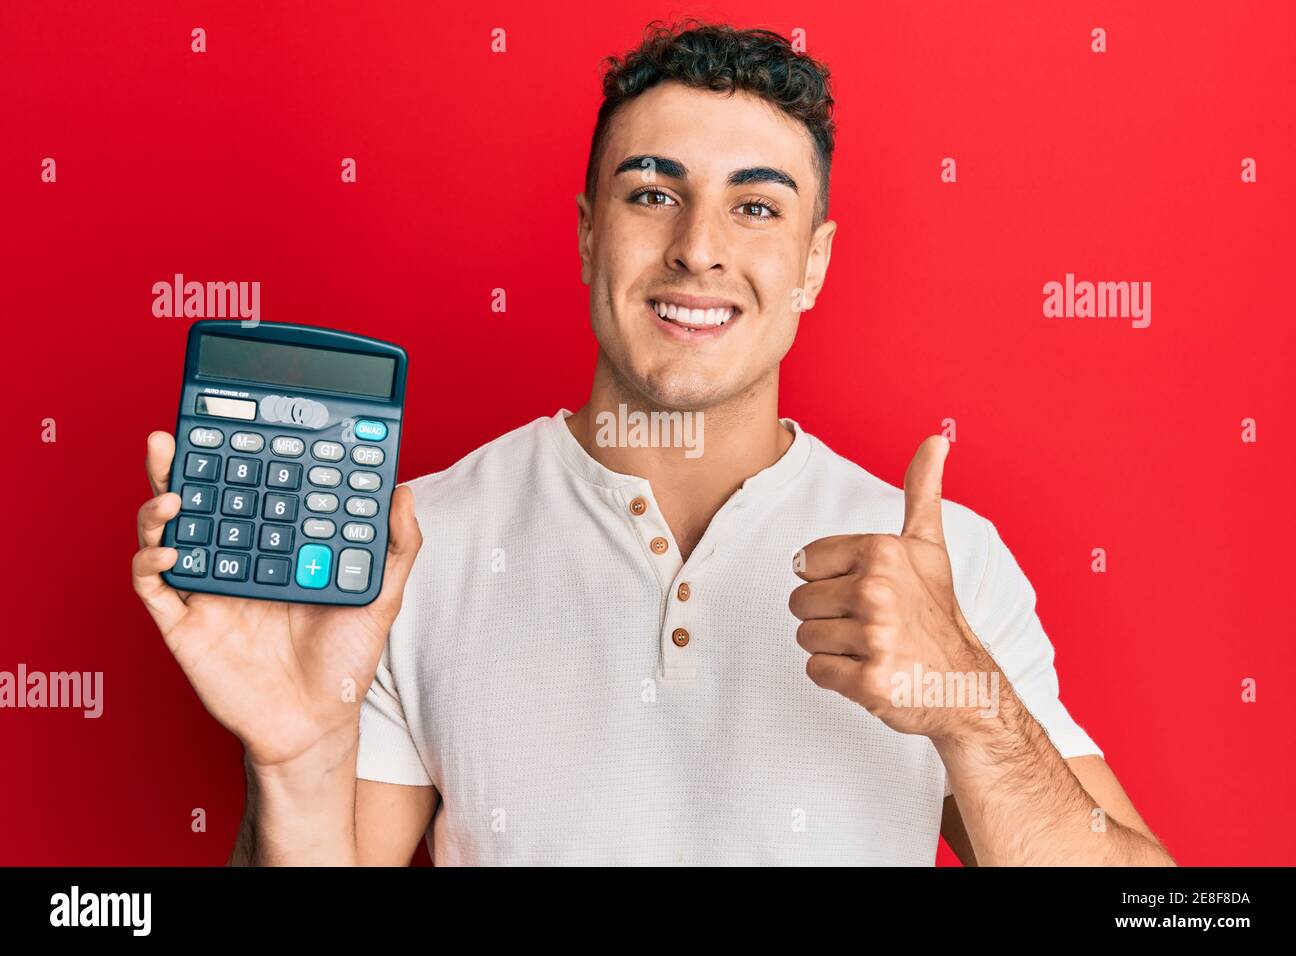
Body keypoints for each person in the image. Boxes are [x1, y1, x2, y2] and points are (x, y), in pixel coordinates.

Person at [131, 20, 1173, 865]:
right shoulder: (417, 540)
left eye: (755, 206)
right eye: (652, 192)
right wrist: (298, 754)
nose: (699, 247)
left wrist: (969, 703)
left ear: (812, 265)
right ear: (590, 230)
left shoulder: (945, 567)